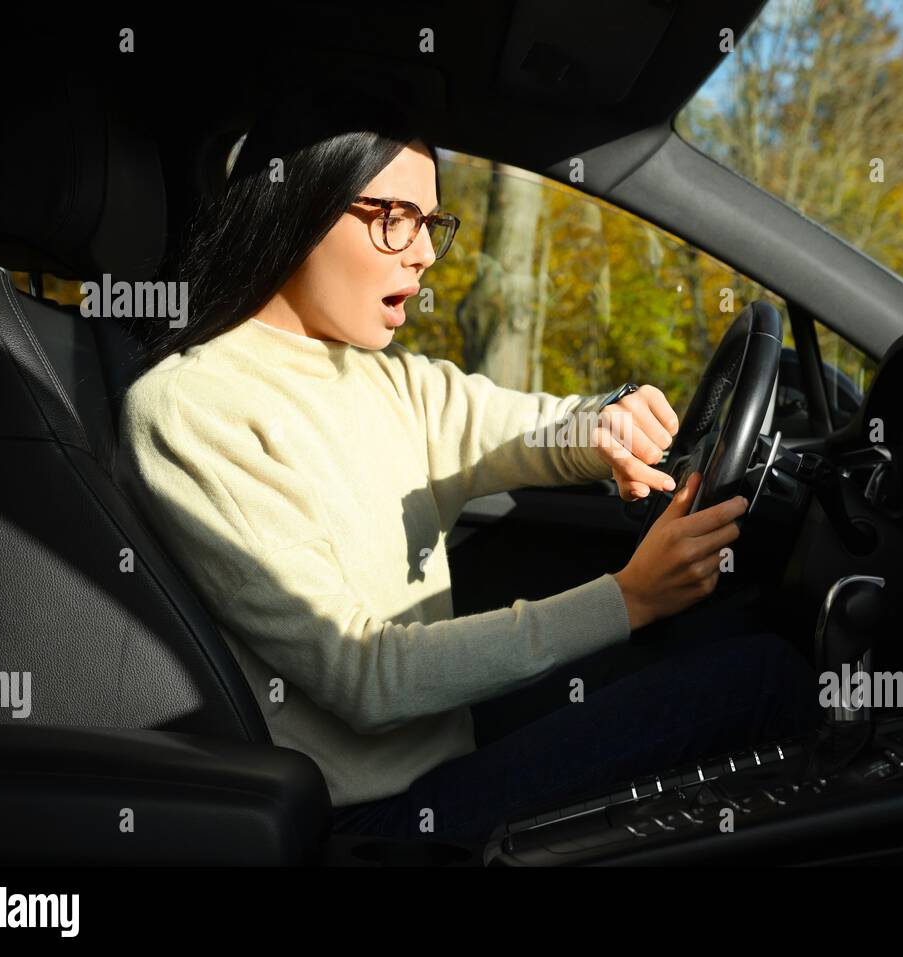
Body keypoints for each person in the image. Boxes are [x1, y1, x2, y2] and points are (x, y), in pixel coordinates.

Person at [118, 93, 820, 848]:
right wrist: (628, 598)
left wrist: (608, 426)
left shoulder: (382, 377)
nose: (421, 253)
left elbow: (532, 427)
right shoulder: (191, 405)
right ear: (302, 208)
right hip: (371, 821)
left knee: (738, 625)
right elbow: (365, 674)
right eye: (396, 220)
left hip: (445, 749)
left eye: (430, 224)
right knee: (764, 679)